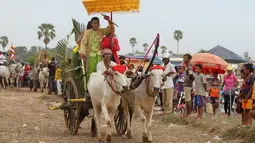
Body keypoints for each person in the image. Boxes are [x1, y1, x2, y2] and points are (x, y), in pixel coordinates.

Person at [80, 16, 114, 80]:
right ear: (91, 24)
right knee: (91, 72)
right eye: (94, 23)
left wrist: (109, 20)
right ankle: (90, 87)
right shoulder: (87, 32)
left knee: (100, 72)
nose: (96, 25)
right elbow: (83, 43)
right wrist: (82, 52)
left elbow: (110, 29)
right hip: (91, 56)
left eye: (98, 23)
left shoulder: (101, 31)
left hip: (100, 56)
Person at [181, 54, 195, 118]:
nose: (184, 59)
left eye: (185, 58)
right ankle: (188, 113)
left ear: (189, 59)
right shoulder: (187, 66)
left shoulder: (189, 67)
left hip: (188, 85)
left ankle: (188, 113)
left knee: (188, 99)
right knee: (188, 99)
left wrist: (189, 81)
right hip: (187, 84)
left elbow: (191, 75)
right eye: (183, 58)